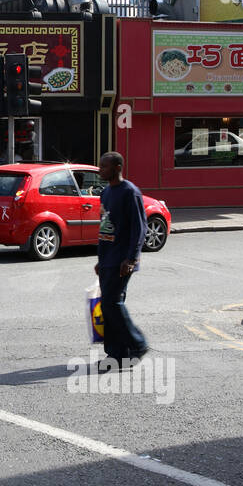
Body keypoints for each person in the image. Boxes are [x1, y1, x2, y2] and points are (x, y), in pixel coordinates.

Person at [93, 151, 150, 370]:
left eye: (104, 167)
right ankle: (117, 355)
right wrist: (100, 259)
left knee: (112, 303)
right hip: (108, 260)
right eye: (100, 166)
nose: (100, 170)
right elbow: (105, 228)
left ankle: (138, 343)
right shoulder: (106, 193)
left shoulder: (130, 192)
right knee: (109, 307)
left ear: (117, 167)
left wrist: (132, 258)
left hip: (122, 260)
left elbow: (140, 227)